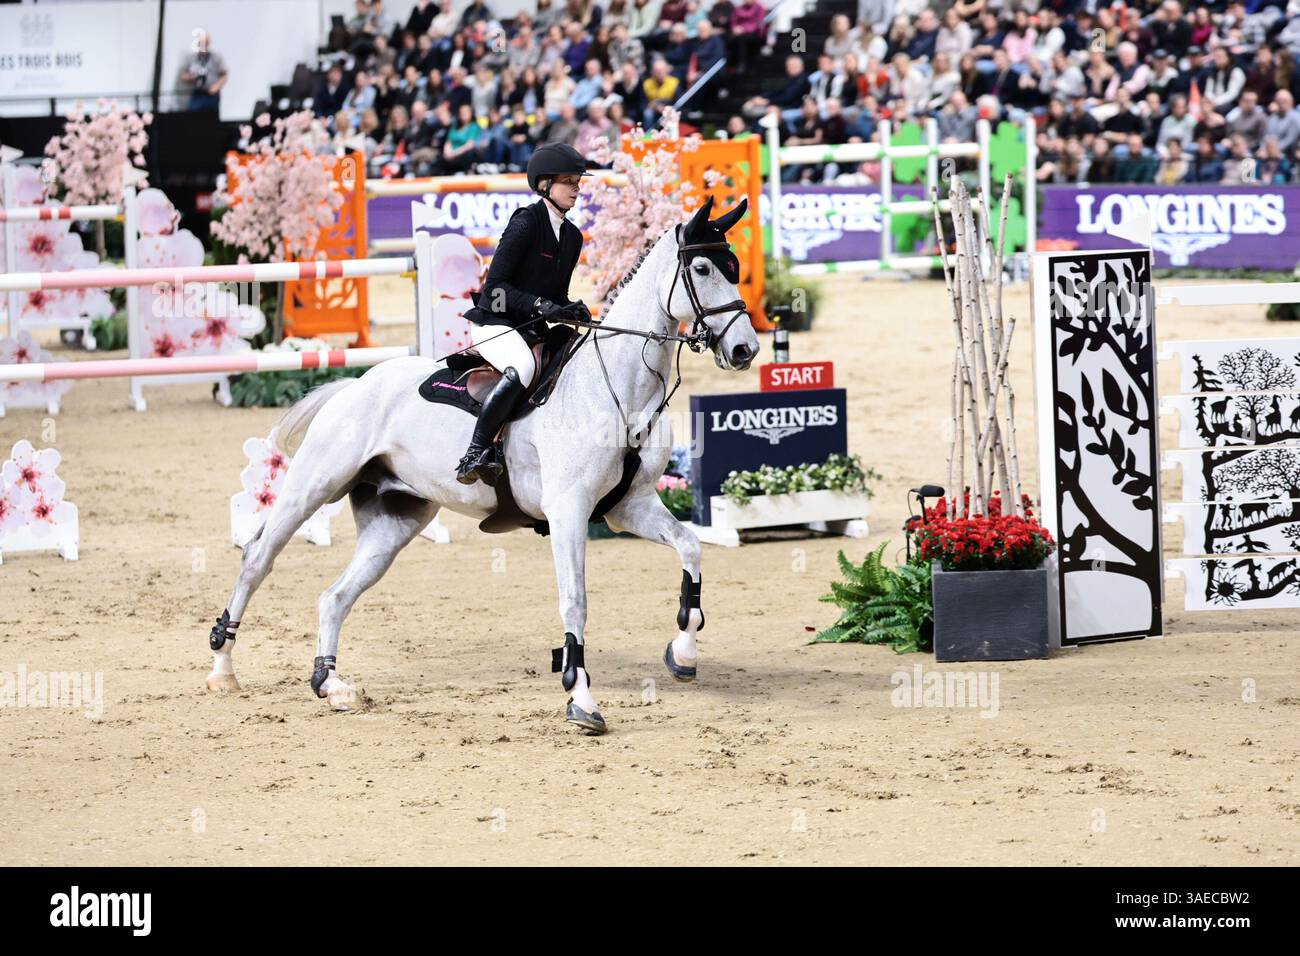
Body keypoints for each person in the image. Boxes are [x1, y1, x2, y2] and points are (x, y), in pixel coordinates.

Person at [455, 143, 594, 485]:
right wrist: (539, 306)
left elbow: (554, 295)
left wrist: (567, 308)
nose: (577, 189)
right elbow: (495, 288)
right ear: (545, 184)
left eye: (578, 182)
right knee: (525, 368)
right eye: (569, 182)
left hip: (531, 328)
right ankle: (476, 451)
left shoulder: (572, 237)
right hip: (496, 323)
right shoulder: (526, 223)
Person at [181, 31, 229, 113]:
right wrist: (191, 77)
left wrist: (217, 86)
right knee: (194, 118)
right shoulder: (192, 58)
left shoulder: (216, 57)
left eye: (206, 43)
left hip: (211, 94)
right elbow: (183, 75)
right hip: (197, 93)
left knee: (211, 119)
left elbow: (224, 75)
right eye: (202, 43)